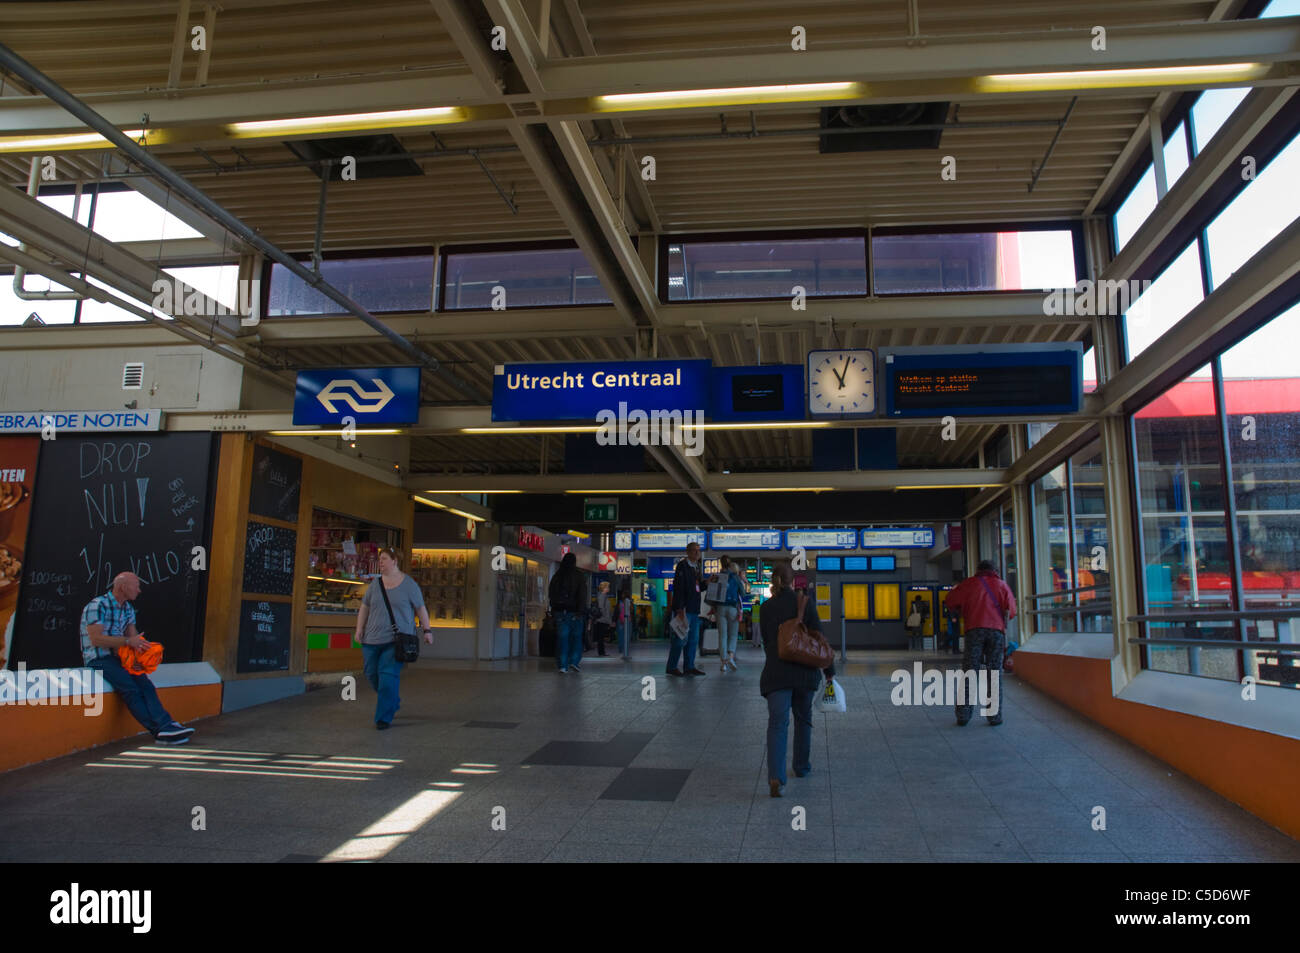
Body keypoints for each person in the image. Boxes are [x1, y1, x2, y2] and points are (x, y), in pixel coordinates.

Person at [80, 571, 194, 745]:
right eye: (136, 585)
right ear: (123, 586)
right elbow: (96, 639)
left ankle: (167, 725)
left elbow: (132, 637)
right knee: (130, 689)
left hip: (122, 658)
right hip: (100, 658)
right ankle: (159, 730)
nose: (139, 590)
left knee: (146, 684)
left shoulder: (128, 609)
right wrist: (128, 641)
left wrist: (144, 649)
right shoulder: (98, 605)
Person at [759, 562, 835, 798]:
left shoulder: (765, 608)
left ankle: (776, 778)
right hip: (804, 673)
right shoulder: (804, 603)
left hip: (776, 674)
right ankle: (801, 767)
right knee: (803, 721)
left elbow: (767, 642)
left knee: (777, 724)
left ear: (774, 581)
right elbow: (819, 638)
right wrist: (829, 671)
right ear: (793, 581)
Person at [354, 548, 433, 730]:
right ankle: (392, 701)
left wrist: (427, 630)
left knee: (387, 676)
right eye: (379, 559)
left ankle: (383, 718)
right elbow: (365, 607)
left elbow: (420, 608)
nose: (380, 562)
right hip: (371, 639)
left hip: (396, 640)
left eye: (383, 559)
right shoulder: (375, 584)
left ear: (395, 560)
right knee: (371, 674)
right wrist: (359, 628)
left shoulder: (409, 585)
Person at [944, 559, 1017, 727]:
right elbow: (1011, 611)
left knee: (969, 671)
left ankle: (963, 715)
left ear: (978, 570)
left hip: (974, 630)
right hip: (996, 632)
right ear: (995, 570)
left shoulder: (968, 584)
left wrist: (963, 610)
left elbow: (950, 601)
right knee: (994, 672)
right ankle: (994, 716)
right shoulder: (1002, 585)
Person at [667, 541, 706, 677]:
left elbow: (698, 587)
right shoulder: (682, 566)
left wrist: (707, 583)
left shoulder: (696, 567)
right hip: (684, 609)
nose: (697, 553)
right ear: (688, 552)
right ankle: (672, 666)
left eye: (698, 550)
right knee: (680, 639)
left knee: (693, 640)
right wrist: (679, 608)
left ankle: (689, 666)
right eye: (694, 550)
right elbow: (679, 588)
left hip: (694, 609)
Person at [548, 552, 587, 674]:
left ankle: (562, 665)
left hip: (560, 612)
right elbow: (582, 595)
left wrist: (554, 609)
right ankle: (574, 662)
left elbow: (551, 593)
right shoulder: (579, 576)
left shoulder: (557, 575)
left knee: (562, 638)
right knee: (576, 638)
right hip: (575, 612)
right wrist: (581, 610)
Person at [716, 555, 745, 673]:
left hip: (720, 608)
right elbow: (742, 593)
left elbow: (713, 593)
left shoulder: (718, 576)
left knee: (722, 635)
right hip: (733, 608)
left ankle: (723, 663)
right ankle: (731, 658)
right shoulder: (736, 577)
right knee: (733, 634)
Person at [594, 580, 613, 657]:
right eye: (607, 587)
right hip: (602, 620)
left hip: (603, 619)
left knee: (601, 637)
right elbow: (602, 608)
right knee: (601, 637)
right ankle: (601, 652)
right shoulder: (602, 596)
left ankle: (602, 651)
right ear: (604, 588)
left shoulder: (603, 596)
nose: (608, 588)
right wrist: (607, 619)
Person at [616, 583, 633, 660]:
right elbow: (631, 611)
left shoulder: (620, 602)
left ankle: (621, 648)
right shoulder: (629, 602)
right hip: (627, 620)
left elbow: (617, 612)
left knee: (620, 635)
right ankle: (625, 650)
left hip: (620, 620)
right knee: (627, 635)